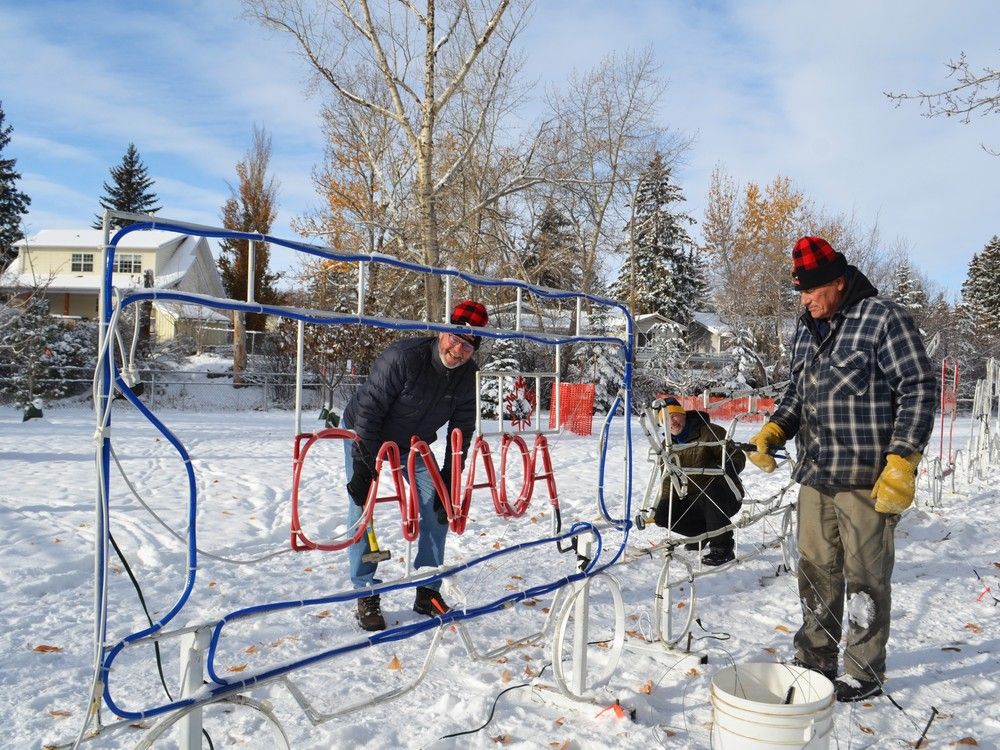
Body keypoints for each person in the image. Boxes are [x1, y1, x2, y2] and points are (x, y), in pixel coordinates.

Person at [747, 236, 935, 702]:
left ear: (838, 282)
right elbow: (797, 391)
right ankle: (815, 656)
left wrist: (902, 459)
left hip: (867, 481)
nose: (805, 300)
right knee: (815, 569)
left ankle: (863, 670)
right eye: (801, 293)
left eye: (812, 291)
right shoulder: (807, 327)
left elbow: (919, 388)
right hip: (816, 475)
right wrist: (774, 429)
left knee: (865, 577)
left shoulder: (882, 320)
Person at [342, 300, 488, 631]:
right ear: (441, 332)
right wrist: (364, 465)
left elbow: (461, 429)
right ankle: (366, 592)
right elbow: (370, 411)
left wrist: (452, 473)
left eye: (469, 345)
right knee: (361, 506)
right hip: (367, 433)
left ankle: (427, 589)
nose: (458, 349)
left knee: (440, 504)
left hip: (413, 442)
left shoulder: (468, 376)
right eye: (455, 338)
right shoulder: (403, 357)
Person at [654, 397, 746, 566]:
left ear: (683, 415)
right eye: (665, 419)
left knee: (711, 491)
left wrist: (726, 468)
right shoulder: (666, 445)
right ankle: (703, 533)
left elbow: (736, 455)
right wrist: (665, 501)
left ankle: (723, 547)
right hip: (693, 498)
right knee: (662, 515)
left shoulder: (709, 431)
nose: (671, 421)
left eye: (674, 415)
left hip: (723, 495)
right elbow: (668, 479)